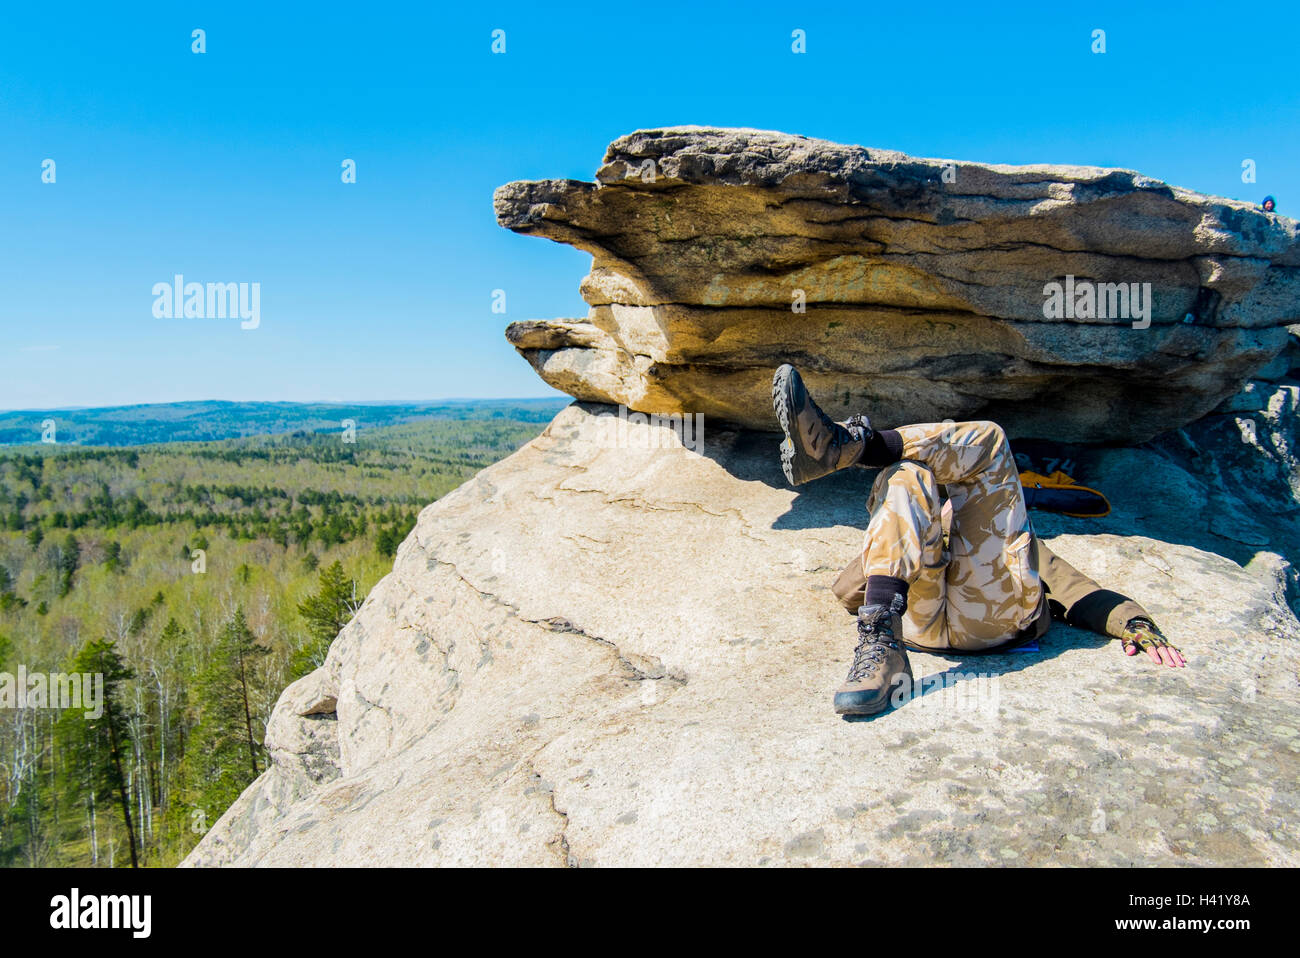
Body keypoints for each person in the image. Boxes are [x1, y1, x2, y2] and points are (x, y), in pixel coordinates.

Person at [771, 364, 1185, 717]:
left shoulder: (996, 534)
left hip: (994, 619)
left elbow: (1075, 588)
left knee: (987, 439)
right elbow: (847, 592)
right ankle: (881, 646)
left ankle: (846, 446)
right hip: (918, 621)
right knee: (905, 475)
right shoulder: (906, 531)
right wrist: (906, 531)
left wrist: (1134, 623)